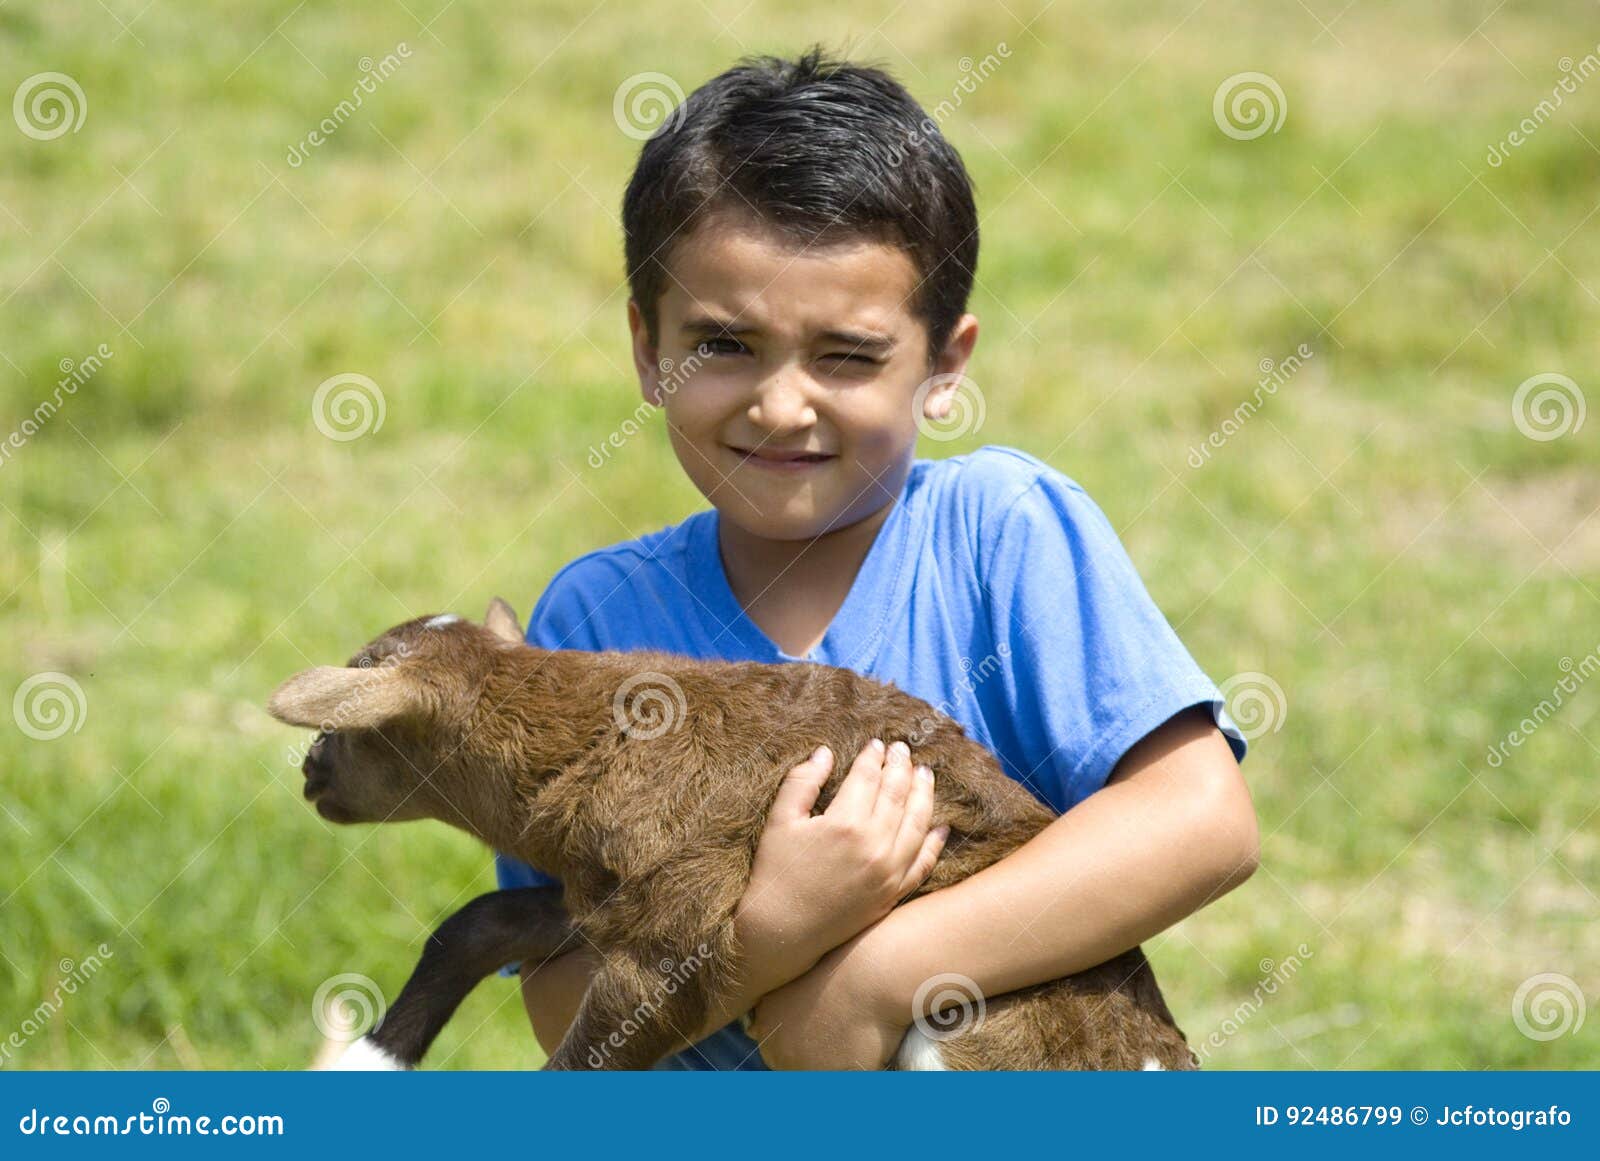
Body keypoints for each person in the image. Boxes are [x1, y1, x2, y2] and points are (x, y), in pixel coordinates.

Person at [496, 45, 1259, 1070]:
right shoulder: (593, 622)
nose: (779, 405)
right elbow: (559, 1007)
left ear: (945, 365)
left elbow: (1200, 821)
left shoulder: (1002, 533)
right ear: (646, 348)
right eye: (722, 345)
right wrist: (771, 933)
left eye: (847, 356)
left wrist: (880, 978)